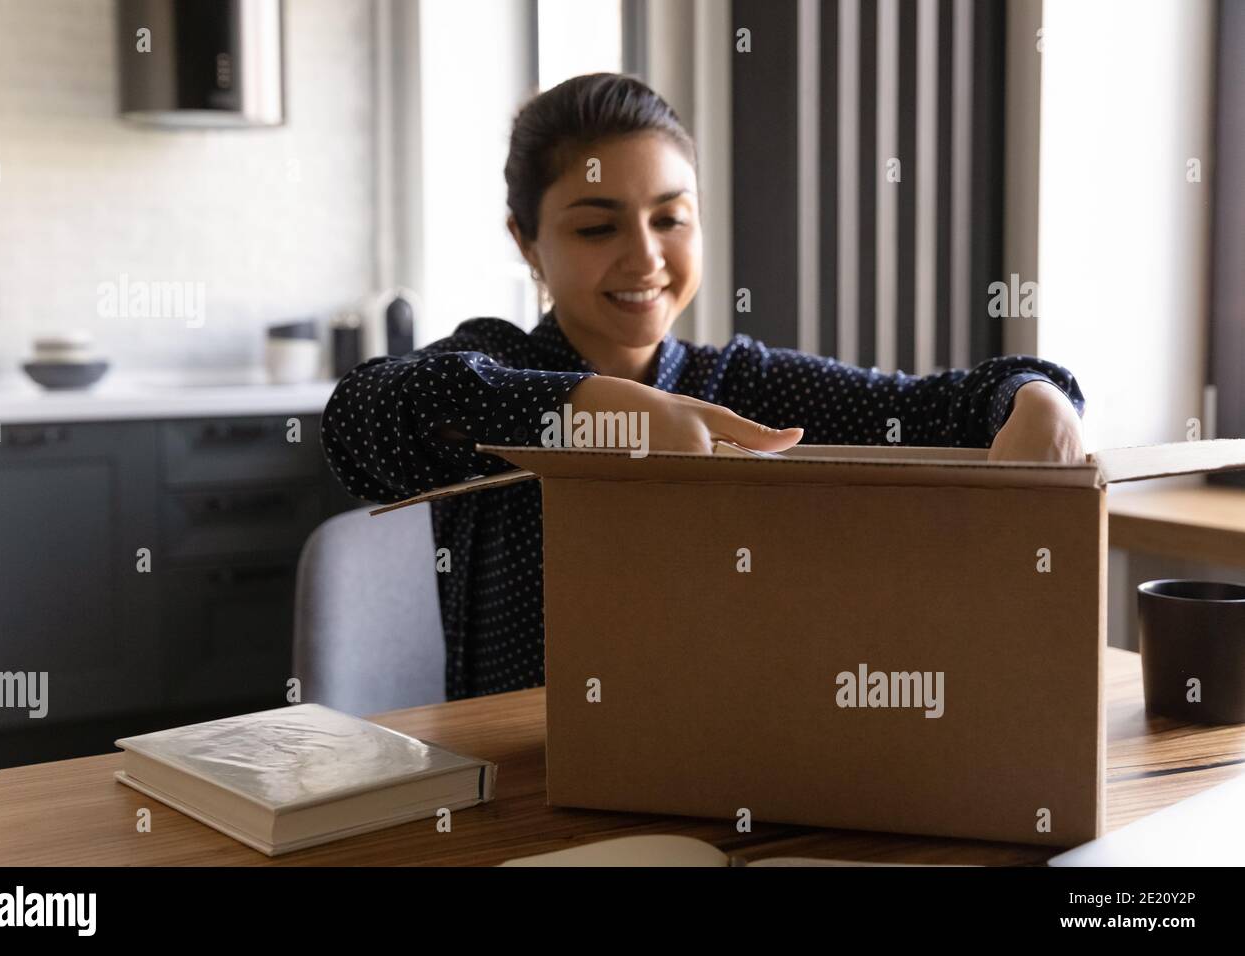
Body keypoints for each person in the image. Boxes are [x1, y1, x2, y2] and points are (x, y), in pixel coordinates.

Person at [321, 73, 1087, 701]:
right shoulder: (492, 363)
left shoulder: (740, 382)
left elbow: (939, 408)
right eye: (597, 228)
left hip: (727, 773)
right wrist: (582, 409)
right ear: (526, 241)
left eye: (671, 219)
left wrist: (1037, 397)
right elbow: (359, 417)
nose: (644, 257)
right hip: (526, 779)